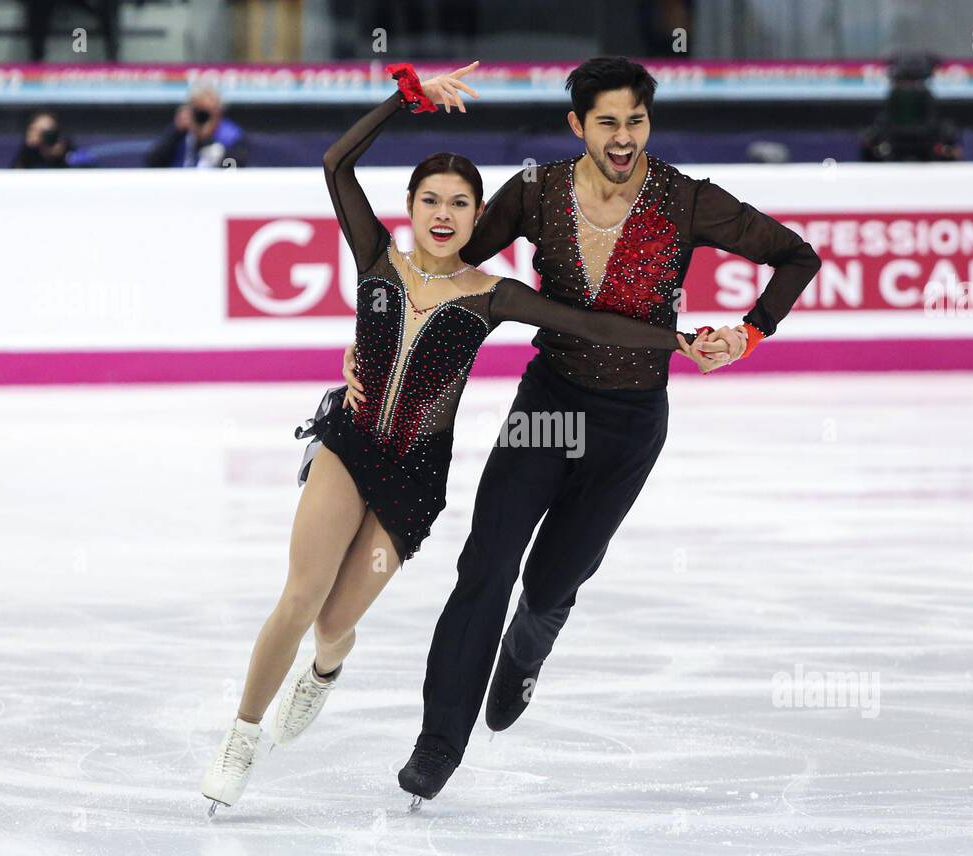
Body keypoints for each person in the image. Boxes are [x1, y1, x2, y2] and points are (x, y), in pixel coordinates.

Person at [199, 62, 716, 816]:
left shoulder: (493, 296)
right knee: (302, 593)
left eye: (460, 204)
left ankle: (325, 670)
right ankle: (240, 740)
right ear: (409, 206)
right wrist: (405, 99)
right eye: (431, 200)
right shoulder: (376, 258)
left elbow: (593, 324)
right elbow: (335, 162)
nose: (444, 214)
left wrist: (681, 339)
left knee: (336, 622)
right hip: (350, 443)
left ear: (478, 218)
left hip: (413, 481)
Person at [342, 56, 822, 803]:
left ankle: (532, 639)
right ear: (578, 127)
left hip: (632, 423)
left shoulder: (686, 200)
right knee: (488, 565)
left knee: (551, 580)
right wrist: (377, 337)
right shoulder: (536, 192)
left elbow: (798, 255)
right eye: (608, 122)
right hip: (550, 409)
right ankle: (438, 746)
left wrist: (750, 332)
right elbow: (440, 268)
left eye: (635, 119)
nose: (624, 136)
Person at [145, 84, 248, 169]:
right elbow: (152, 163)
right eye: (198, 112)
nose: (202, 118)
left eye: (207, 113)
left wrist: (206, 140)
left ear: (218, 112)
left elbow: (234, 168)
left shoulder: (232, 135)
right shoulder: (180, 132)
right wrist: (175, 132)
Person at [11, 112, 92, 169]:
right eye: (34, 129)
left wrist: (62, 157)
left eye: (47, 132)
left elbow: (90, 173)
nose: (43, 136)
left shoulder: (70, 152)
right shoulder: (29, 152)